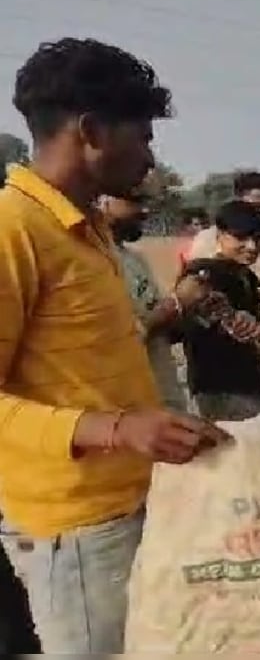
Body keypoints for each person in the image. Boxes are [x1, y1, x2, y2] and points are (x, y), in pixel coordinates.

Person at [0, 36, 230, 654]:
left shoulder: (89, 230)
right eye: (145, 135)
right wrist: (119, 429)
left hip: (136, 505)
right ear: (93, 131)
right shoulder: (12, 232)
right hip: (78, 535)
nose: (152, 156)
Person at [188, 171, 260, 411]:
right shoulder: (204, 246)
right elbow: (193, 298)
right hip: (220, 368)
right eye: (257, 206)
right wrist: (233, 319)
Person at [178, 201, 260, 421]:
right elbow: (185, 311)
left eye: (257, 239)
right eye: (241, 238)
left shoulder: (247, 277)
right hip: (218, 390)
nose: (251, 246)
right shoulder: (204, 275)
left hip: (248, 384)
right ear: (219, 236)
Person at [99, 194, 191, 413]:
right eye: (134, 202)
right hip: (126, 411)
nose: (145, 211)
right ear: (102, 203)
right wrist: (174, 303)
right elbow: (117, 338)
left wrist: (188, 306)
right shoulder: (92, 261)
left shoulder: (135, 259)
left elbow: (160, 328)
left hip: (160, 398)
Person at [173, 207, 209, 278]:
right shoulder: (184, 247)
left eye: (203, 224)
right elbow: (180, 271)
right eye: (196, 224)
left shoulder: (213, 242)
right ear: (188, 226)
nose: (201, 227)